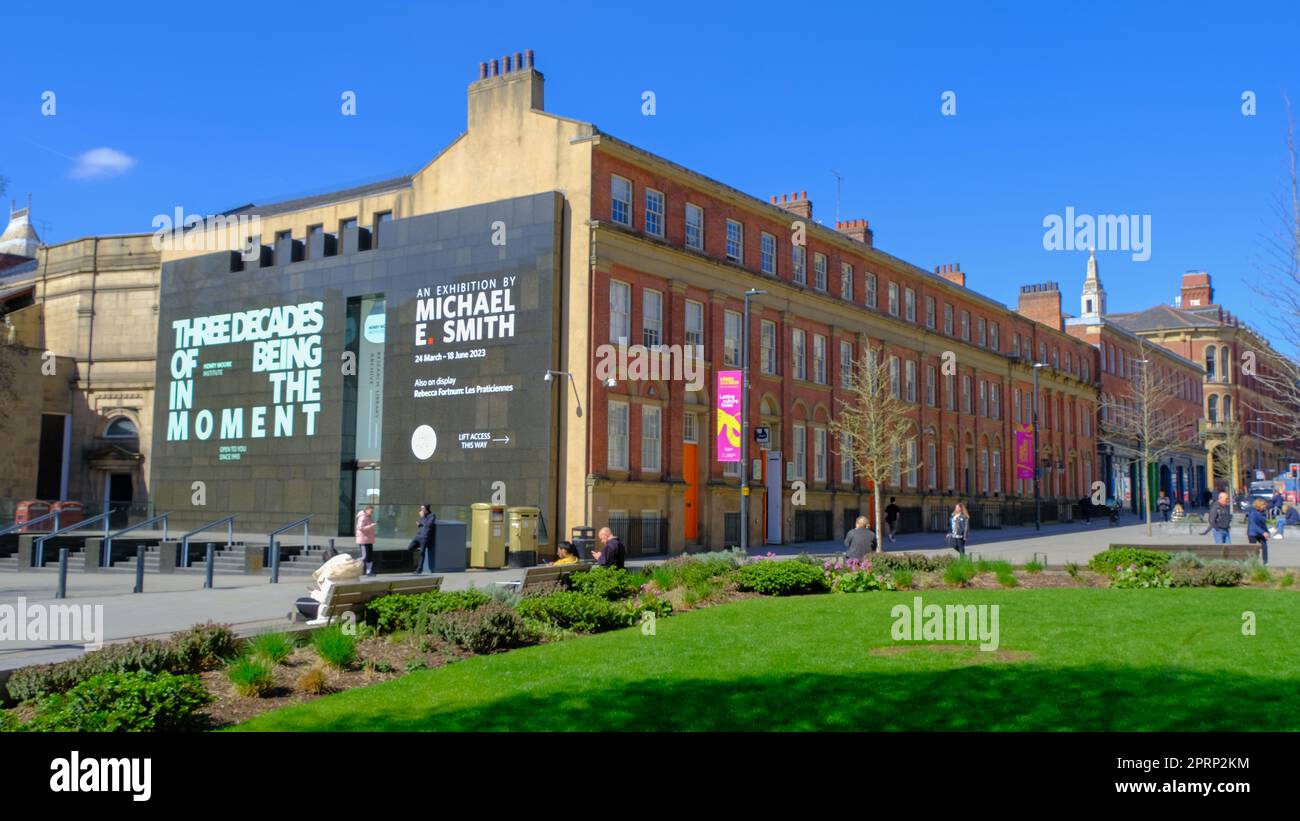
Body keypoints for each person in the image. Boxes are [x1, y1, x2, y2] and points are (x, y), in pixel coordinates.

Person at [406, 504, 436, 574]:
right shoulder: (423, 516)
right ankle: (421, 549)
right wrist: (419, 524)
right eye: (421, 508)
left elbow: (428, 525)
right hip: (418, 536)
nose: (421, 510)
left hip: (425, 537)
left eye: (423, 508)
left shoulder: (432, 515)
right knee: (410, 548)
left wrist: (422, 517)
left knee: (422, 553)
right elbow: (422, 525)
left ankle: (419, 570)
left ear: (427, 509)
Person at [355, 505, 378, 577]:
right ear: (367, 510)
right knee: (365, 556)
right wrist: (371, 526)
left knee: (370, 556)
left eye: (373, 512)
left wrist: (371, 526)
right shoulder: (362, 517)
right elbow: (360, 528)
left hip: (368, 539)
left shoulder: (368, 517)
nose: (372, 513)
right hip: (363, 540)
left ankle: (369, 571)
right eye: (371, 511)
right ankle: (352, 564)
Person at [1247, 497, 1270, 564]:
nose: (1265, 506)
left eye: (1265, 505)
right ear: (1259, 505)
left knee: (1264, 547)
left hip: (1261, 533)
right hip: (1253, 533)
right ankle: (1253, 563)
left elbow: (1263, 524)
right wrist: (1263, 532)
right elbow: (1254, 525)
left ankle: (1265, 563)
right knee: (1254, 549)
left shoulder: (1263, 512)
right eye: (1263, 505)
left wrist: (1267, 532)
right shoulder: (1253, 513)